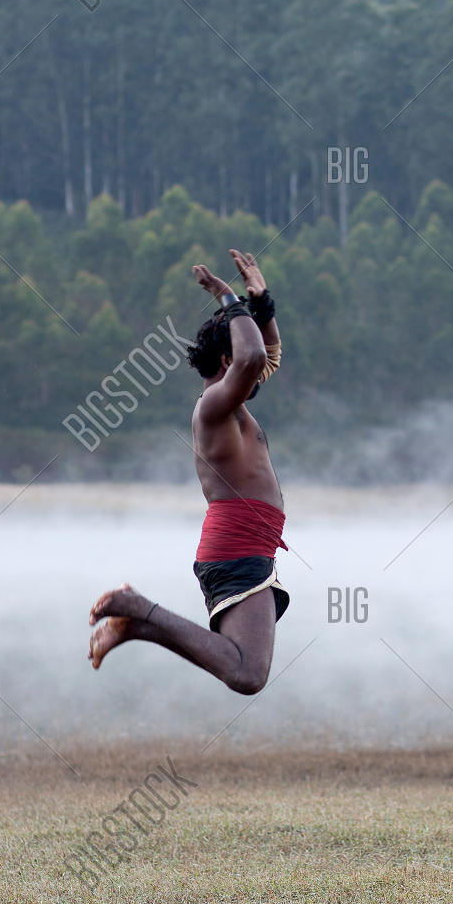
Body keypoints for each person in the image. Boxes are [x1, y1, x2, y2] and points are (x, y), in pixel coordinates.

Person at [88, 249, 289, 695]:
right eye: (240, 355)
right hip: (237, 546)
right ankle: (137, 607)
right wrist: (227, 297)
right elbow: (254, 357)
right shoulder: (214, 408)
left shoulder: (231, 401)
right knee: (247, 674)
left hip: (245, 544)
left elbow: (265, 356)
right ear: (226, 362)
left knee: (245, 668)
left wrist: (263, 304)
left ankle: (136, 624)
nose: (254, 368)